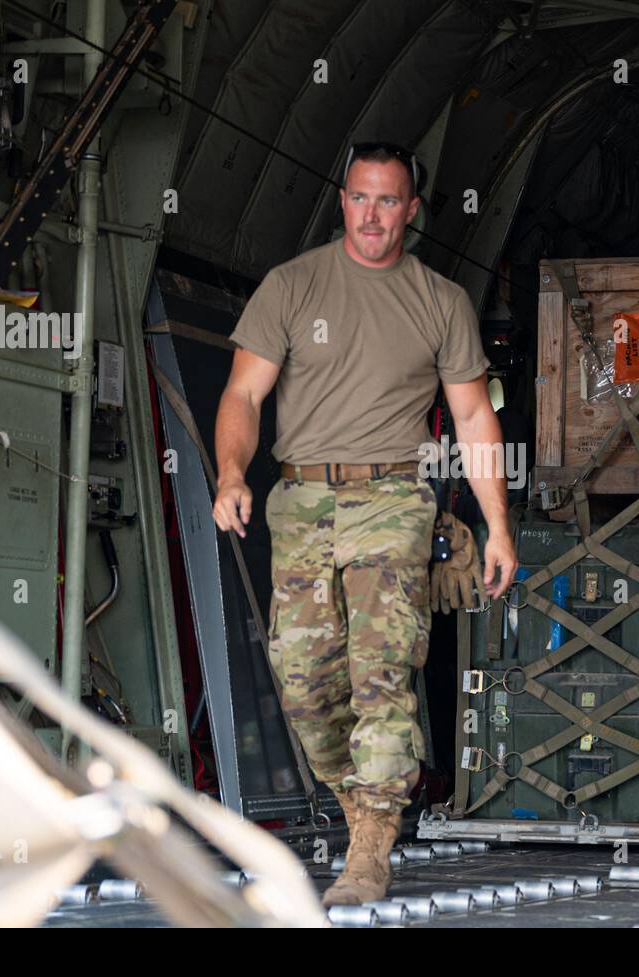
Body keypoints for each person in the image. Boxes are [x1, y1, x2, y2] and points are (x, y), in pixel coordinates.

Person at [212, 142, 516, 907]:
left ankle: (371, 848)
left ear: (411, 210)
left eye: (389, 201)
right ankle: (361, 809)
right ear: (340, 199)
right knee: (305, 683)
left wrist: (498, 525)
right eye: (360, 198)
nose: (373, 215)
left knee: (381, 673)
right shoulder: (293, 286)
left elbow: (475, 416)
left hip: (393, 502)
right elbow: (243, 396)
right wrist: (226, 474)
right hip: (302, 500)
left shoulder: (439, 300)